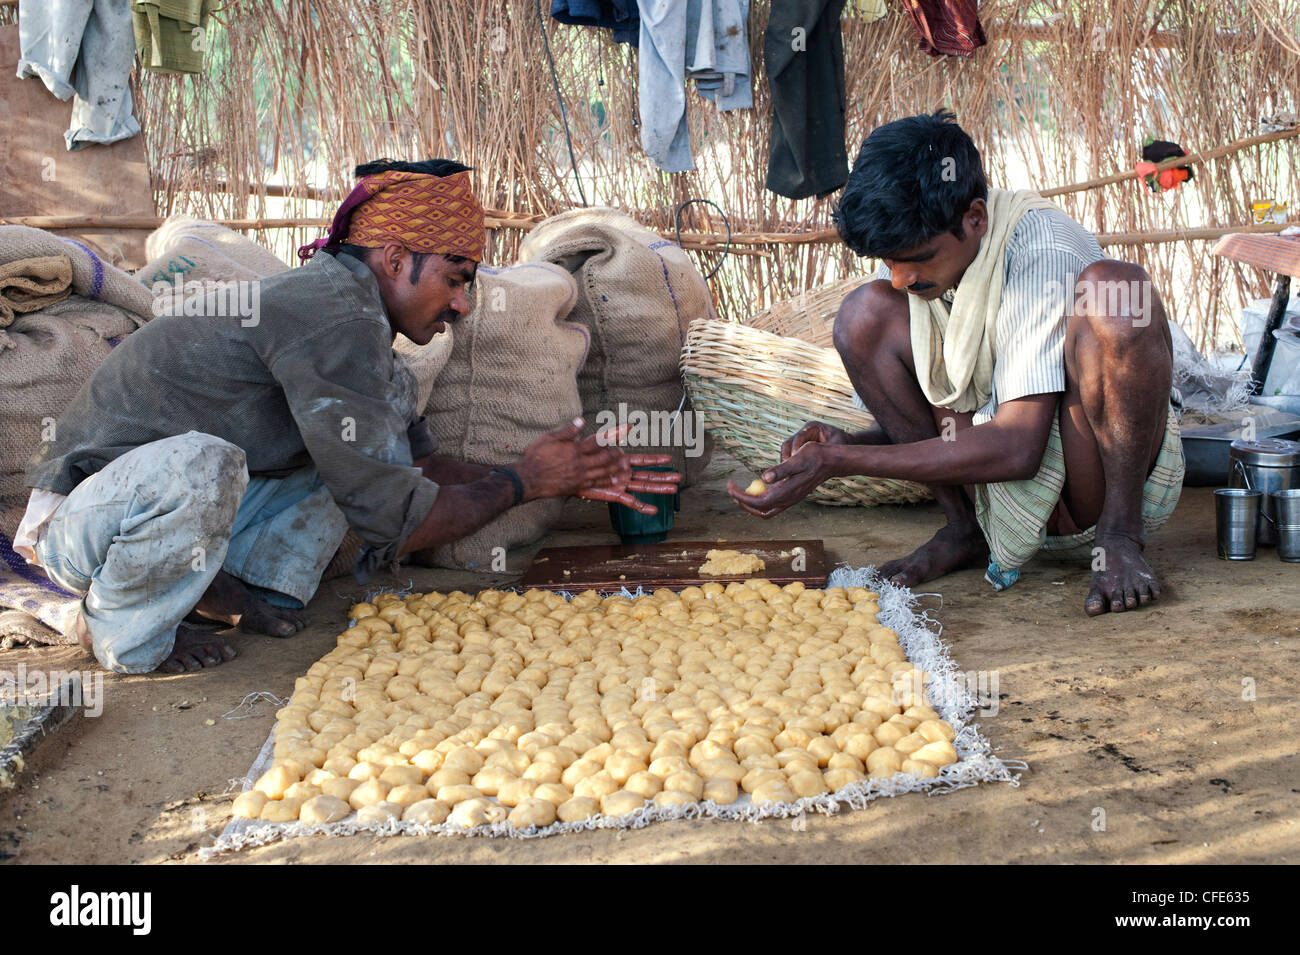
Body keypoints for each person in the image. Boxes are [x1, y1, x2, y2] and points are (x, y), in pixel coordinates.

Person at [16, 158, 679, 674]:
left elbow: (417, 470)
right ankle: (128, 632)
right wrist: (524, 483)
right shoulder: (327, 312)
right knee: (215, 462)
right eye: (455, 277)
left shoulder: (367, 338)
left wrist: (555, 471)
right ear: (395, 259)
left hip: (173, 510)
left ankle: (233, 590)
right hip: (92, 520)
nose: (464, 304)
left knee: (356, 463)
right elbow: (392, 516)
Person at [729, 111, 1184, 617]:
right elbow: (964, 417)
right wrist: (851, 443)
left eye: (917, 257)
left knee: (1115, 291)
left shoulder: (1042, 250)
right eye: (890, 260)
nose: (902, 278)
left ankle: (1120, 536)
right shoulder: (923, 266)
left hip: (1086, 487)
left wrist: (839, 463)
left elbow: (1018, 448)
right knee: (864, 314)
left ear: (975, 218)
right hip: (999, 481)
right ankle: (965, 529)